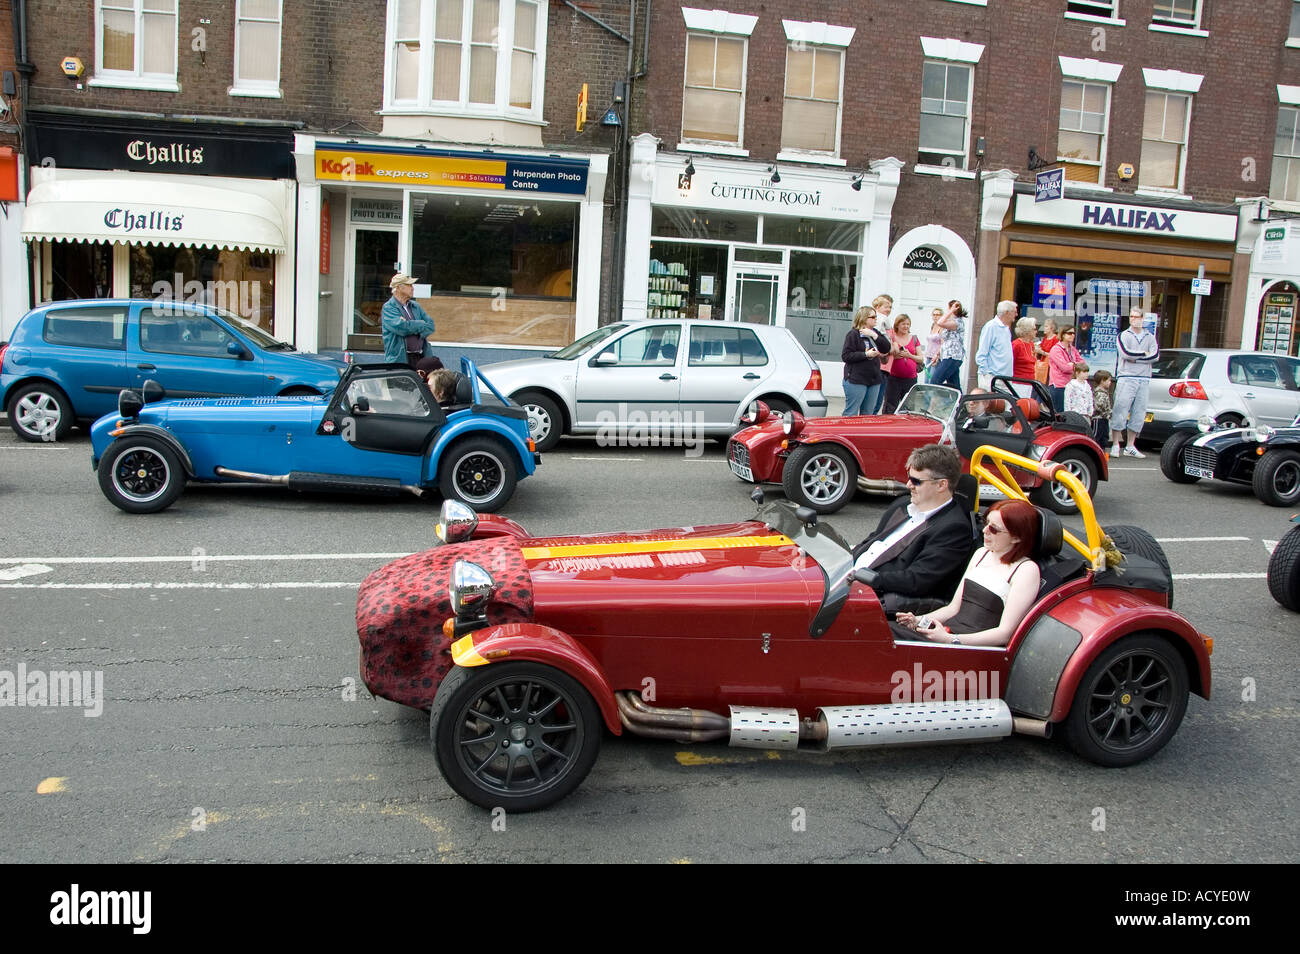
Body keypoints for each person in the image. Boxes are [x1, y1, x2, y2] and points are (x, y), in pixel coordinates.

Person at [895, 500, 1042, 647]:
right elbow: (953, 608)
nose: (985, 531)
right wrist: (919, 620)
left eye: (994, 529)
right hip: (949, 635)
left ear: (1017, 537)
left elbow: (1004, 634)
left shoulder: (1026, 570)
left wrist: (952, 640)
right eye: (986, 523)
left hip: (971, 648)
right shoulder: (982, 553)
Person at [850, 444, 976, 614]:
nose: (909, 485)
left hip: (878, 597)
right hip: (851, 580)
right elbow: (872, 540)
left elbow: (918, 580)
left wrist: (865, 578)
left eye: (917, 481)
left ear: (941, 485)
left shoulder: (954, 528)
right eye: (909, 477)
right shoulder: (902, 505)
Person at [1110, 307, 1159, 458]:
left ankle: (1130, 445)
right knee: (1120, 409)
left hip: (1144, 378)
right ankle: (1116, 444)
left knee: (1139, 412)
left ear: (1142, 318)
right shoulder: (1123, 335)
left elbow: (1155, 356)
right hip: (1126, 377)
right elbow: (1125, 353)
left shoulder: (1150, 337)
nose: (1133, 319)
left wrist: (1136, 358)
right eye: (1131, 316)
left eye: (1136, 317)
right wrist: (1144, 354)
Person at [842, 305, 889, 416]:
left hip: (874, 379)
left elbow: (887, 348)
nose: (875, 319)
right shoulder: (853, 334)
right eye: (873, 317)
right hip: (856, 379)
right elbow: (846, 356)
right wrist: (865, 354)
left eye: (876, 317)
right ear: (864, 318)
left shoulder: (875, 332)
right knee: (851, 412)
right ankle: (847, 432)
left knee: (868, 414)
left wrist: (874, 335)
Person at [381, 272, 436, 367]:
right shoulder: (388, 307)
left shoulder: (415, 306)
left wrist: (409, 324)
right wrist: (421, 324)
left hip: (420, 357)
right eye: (409, 285)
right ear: (399, 288)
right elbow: (401, 328)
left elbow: (431, 326)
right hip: (399, 359)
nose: (413, 288)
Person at [882, 314, 921, 414]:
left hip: (911, 379)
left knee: (909, 406)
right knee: (890, 405)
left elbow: (921, 359)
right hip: (894, 378)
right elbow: (884, 354)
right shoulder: (892, 338)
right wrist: (894, 355)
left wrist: (910, 356)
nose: (906, 326)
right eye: (903, 324)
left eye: (908, 324)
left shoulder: (914, 338)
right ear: (897, 325)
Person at [975, 300, 1017, 390]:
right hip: (992, 378)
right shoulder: (991, 327)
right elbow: (982, 352)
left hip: (1005, 378)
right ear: (1007, 313)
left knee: (1007, 403)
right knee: (989, 403)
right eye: (1014, 312)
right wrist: (987, 374)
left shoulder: (1006, 328)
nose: (1016, 314)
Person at [930, 299, 967, 389]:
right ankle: (961, 402)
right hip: (947, 355)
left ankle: (939, 400)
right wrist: (938, 354)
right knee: (954, 386)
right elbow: (945, 341)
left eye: (949, 308)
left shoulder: (958, 322)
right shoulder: (951, 321)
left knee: (935, 381)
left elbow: (939, 322)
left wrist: (951, 311)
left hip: (953, 357)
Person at [1047, 325, 1083, 412]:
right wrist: (1074, 365)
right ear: (1063, 335)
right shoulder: (1056, 349)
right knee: (1059, 413)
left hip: (1071, 385)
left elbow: (1083, 365)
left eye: (1074, 333)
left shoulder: (1073, 349)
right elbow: (1065, 368)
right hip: (1059, 386)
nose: (1072, 335)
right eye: (1070, 333)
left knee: (1069, 413)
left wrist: (1072, 364)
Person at [871, 294, 895, 412]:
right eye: (886, 307)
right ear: (877, 307)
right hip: (880, 366)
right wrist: (889, 349)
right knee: (876, 400)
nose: (888, 310)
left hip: (886, 367)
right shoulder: (881, 319)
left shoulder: (883, 320)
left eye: (890, 307)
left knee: (878, 400)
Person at [1011, 317, 1038, 392]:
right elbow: (1010, 364)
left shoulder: (1031, 344)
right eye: (1034, 329)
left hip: (1030, 383)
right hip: (1018, 383)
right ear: (1027, 330)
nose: (1036, 331)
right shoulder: (1016, 344)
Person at [1091, 370, 1114, 446]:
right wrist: (1107, 413)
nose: (1110, 382)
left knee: (1104, 437)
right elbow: (1099, 406)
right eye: (1108, 380)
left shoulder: (1104, 392)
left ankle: (1102, 450)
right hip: (1098, 419)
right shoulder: (1099, 393)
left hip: (1104, 419)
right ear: (1102, 381)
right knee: (1097, 437)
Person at [925, 308, 944, 381]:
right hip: (928, 356)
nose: (935, 316)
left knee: (932, 379)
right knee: (927, 378)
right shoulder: (933, 326)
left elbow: (942, 343)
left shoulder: (942, 327)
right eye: (934, 314)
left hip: (936, 357)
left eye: (938, 315)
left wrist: (937, 355)